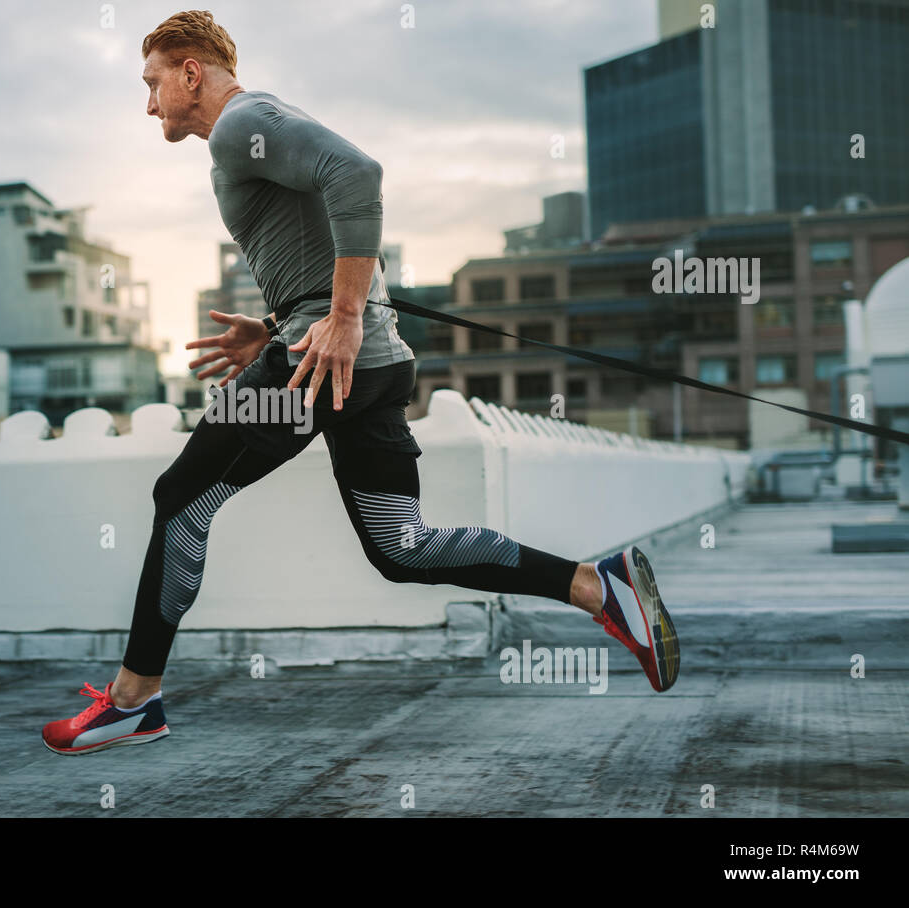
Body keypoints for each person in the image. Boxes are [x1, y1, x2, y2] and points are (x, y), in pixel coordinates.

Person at [41, 10, 678, 755]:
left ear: (191, 72)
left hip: (322, 360)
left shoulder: (243, 120)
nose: (148, 104)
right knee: (400, 546)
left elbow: (357, 175)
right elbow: (320, 222)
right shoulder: (257, 127)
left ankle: (133, 699)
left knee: (180, 498)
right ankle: (600, 588)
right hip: (359, 361)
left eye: (152, 83)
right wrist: (280, 322)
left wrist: (337, 316)